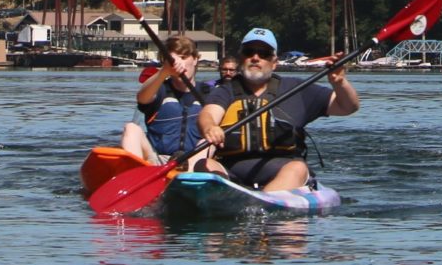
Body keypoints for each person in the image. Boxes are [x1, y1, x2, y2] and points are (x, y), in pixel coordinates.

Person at [196, 27, 357, 193]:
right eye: (249, 52)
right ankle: (226, 199)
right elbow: (208, 113)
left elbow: (348, 107)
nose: (255, 58)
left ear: (274, 62)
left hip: (283, 169)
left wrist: (340, 83)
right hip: (232, 170)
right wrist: (210, 127)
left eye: (263, 53)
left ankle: (262, 202)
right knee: (204, 164)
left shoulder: (297, 89)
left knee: (298, 168)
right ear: (241, 58)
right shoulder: (226, 90)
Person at [119, 34, 212, 167]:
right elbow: (142, 97)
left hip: (194, 161)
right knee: (131, 128)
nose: (179, 63)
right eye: (173, 60)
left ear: (195, 60)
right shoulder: (159, 89)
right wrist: (164, 72)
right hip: (158, 160)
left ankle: (190, 178)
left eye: (184, 57)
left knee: (207, 141)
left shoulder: (209, 93)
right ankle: (134, 175)